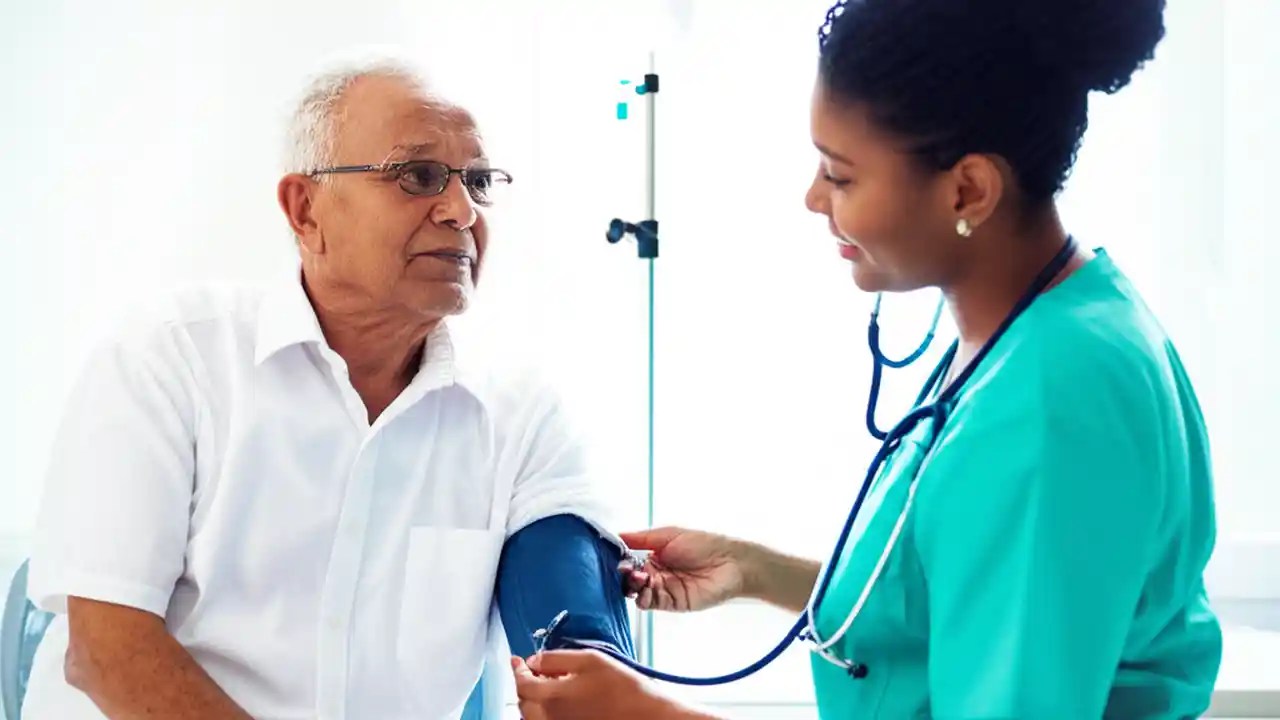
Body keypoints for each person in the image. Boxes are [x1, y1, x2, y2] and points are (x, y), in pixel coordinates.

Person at [511, 0, 1223, 717]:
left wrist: (654, 715)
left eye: (841, 176)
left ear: (968, 189)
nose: (813, 198)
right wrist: (756, 571)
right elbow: (963, 588)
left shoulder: (1050, 406)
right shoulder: (1048, 325)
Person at [24, 55, 633, 719]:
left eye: (479, 182)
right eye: (418, 176)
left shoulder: (521, 414)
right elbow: (107, 650)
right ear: (305, 209)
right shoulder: (171, 356)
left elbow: (575, 641)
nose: (461, 211)